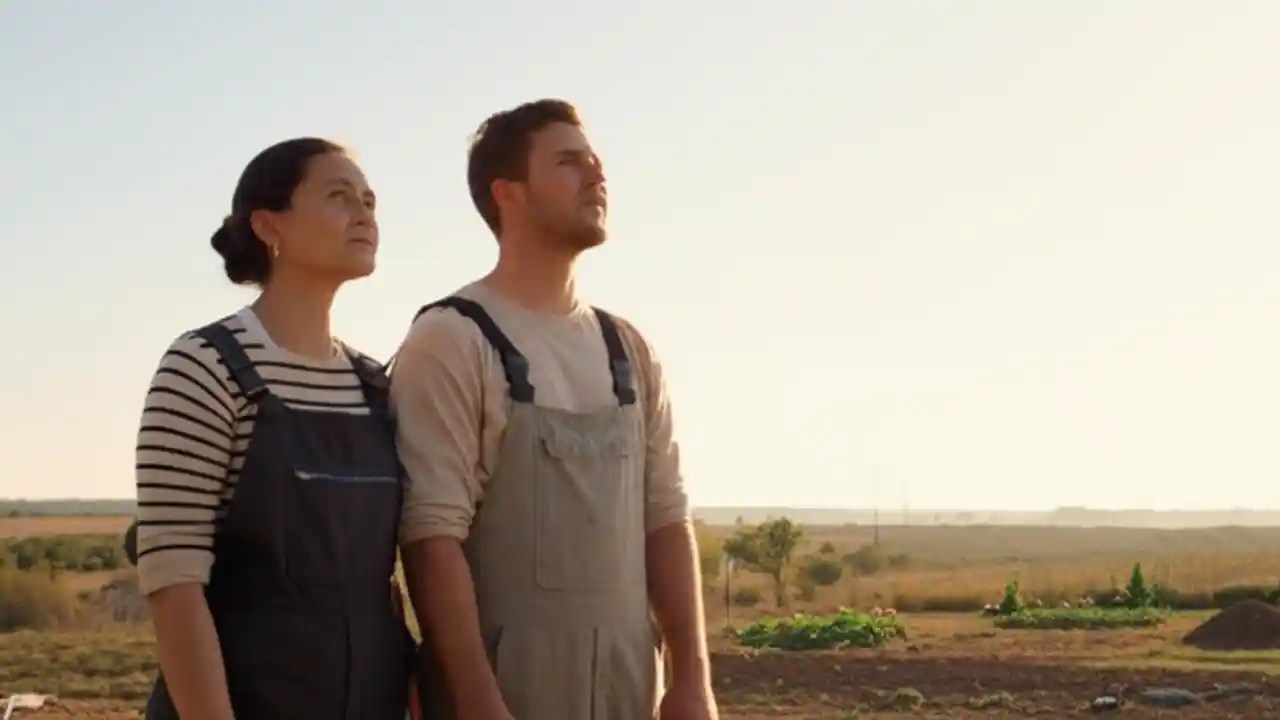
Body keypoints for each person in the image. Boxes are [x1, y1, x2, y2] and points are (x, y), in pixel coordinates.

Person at [391, 99, 719, 719]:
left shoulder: (628, 347)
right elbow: (431, 538)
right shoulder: (454, 338)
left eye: (596, 163)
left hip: (629, 685)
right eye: (568, 162)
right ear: (507, 194)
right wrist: (478, 703)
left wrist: (690, 680)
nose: (596, 177)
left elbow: (667, 520)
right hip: (507, 689)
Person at [130, 137, 416, 719]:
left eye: (369, 200)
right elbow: (174, 587)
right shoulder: (205, 365)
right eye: (339, 196)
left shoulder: (374, 385)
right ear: (268, 225)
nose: (364, 213)